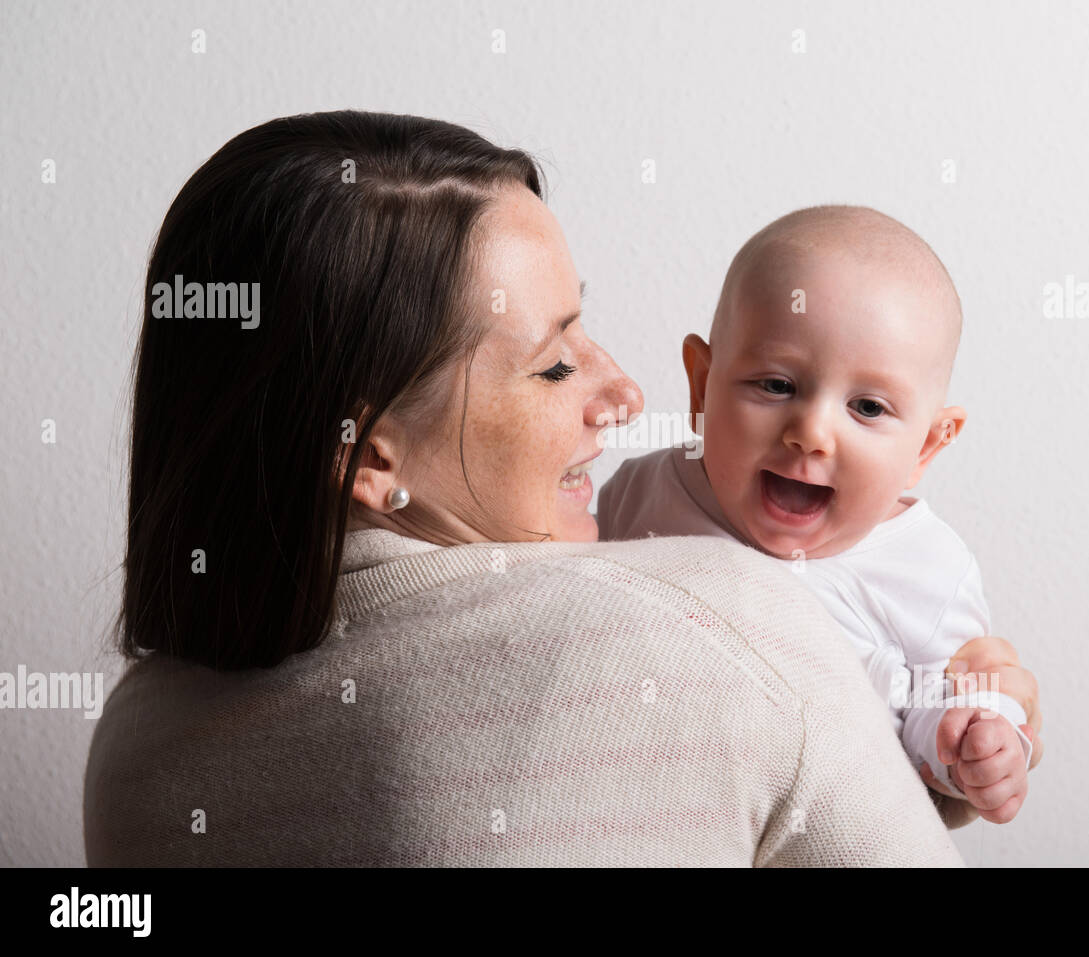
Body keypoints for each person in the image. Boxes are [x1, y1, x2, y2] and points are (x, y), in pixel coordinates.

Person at [83, 111, 1040, 866]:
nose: (625, 392)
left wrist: (964, 732)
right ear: (369, 454)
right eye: (553, 366)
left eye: (587, 330)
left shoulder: (130, 750)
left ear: (932, 442)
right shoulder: (732, 625)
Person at [598, 206, 1039, 825]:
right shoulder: (642, 492)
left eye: (867, 406)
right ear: (701, 387)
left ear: (927, 447)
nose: (810, 433)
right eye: (776, 385)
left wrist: (977, 745)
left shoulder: (926, 569)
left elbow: (948, 709)